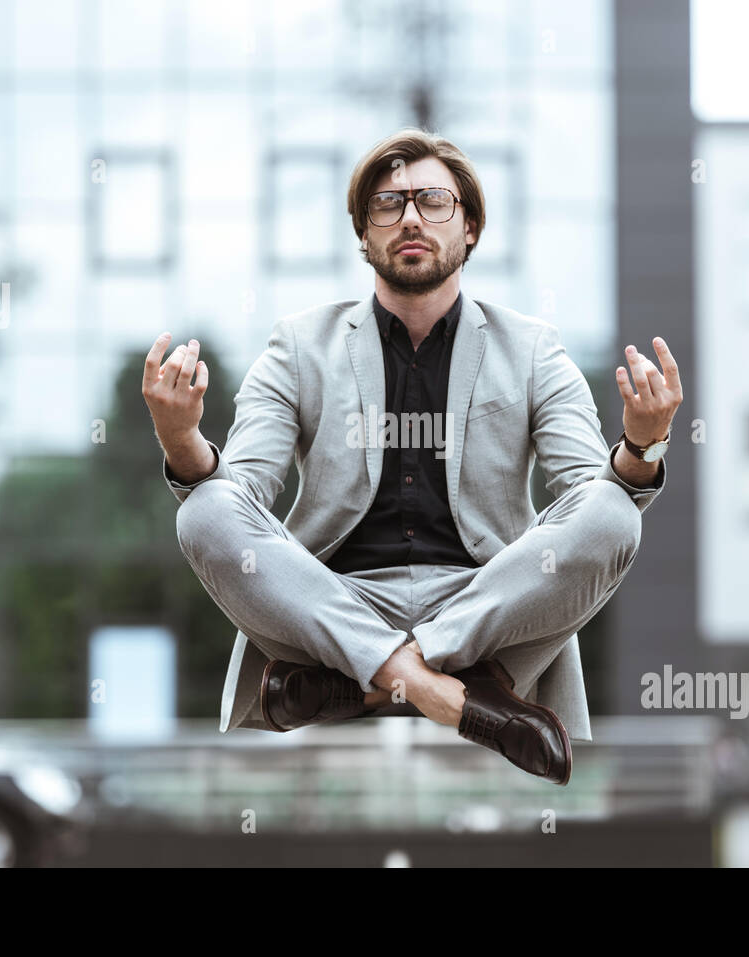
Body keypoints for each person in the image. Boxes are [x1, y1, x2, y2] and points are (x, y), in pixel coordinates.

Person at [141, 128, 682, 785]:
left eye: (433, 200)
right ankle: (445, 691)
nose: (411, 219)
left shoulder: (535, 348)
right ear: (363, 235)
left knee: (613, 515)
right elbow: (241, 492)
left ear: (471, 226)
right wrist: (180, 437)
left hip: (487, 602)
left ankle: (369, 681)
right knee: (204, 512)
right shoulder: (297, 345)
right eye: (387, 205)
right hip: (331, 602)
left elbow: (588, 496)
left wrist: (643, 441)